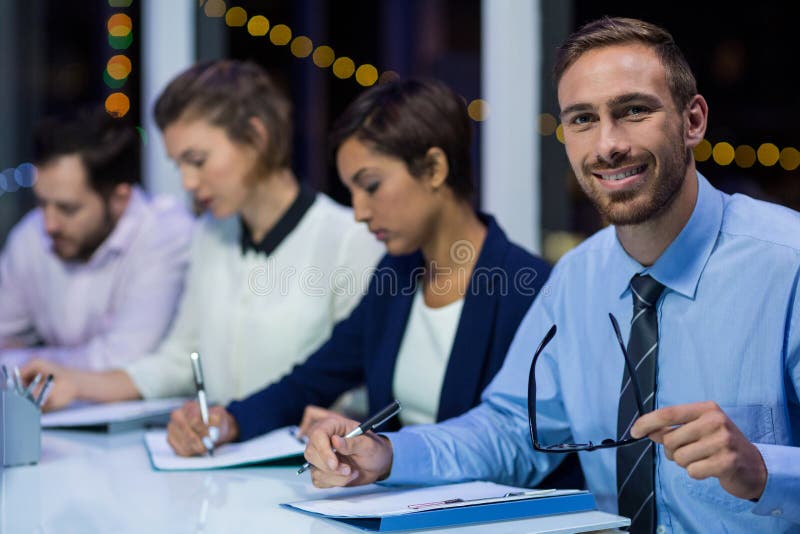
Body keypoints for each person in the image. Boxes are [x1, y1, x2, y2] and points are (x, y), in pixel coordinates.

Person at [302, 17, 800, 533]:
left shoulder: (789, 265)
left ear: (692, 120)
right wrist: (384, 454)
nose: (607, 145)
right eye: (583, 119)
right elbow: (512, 431)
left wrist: (767, 471)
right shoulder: (575, 279)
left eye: (633, 111)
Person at [164, 79, 554, 473]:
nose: (360, 212)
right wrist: (229, 420)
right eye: (351, 192)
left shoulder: (526, 286)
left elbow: (523, 447)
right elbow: (314, 379)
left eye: (371, 186)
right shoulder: (398, 274)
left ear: (435, 169)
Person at [21, 60, 383, 409]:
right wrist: (76, 382)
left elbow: (360, 388)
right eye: (179, 165)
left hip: (311, 466)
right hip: (224, 463)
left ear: (256, 137)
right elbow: (179, 361)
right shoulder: (210, 233)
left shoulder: (349, 240)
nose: (188, 182)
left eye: (197, 160)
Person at [0, 106, 192, 370]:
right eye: (42, 204)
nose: (49, 224)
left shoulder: (166, 233)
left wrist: (29, 362)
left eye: (68, 209)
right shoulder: (29, 235)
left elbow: (123, 359)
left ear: (119, 198)